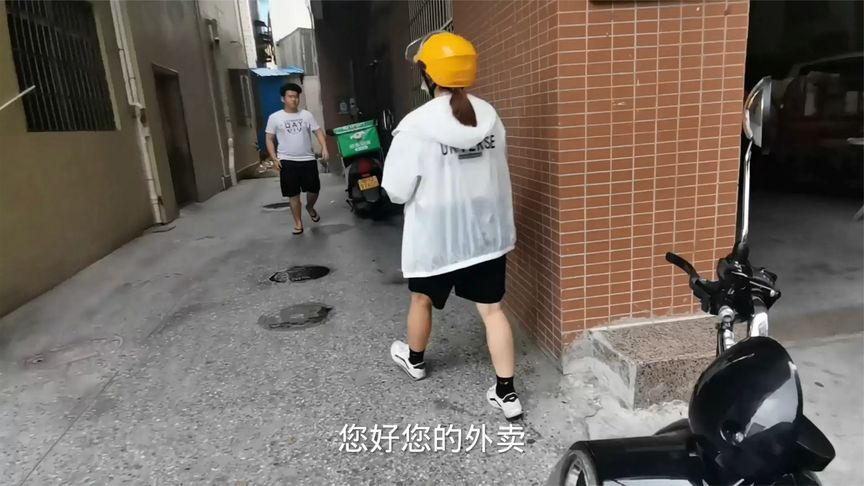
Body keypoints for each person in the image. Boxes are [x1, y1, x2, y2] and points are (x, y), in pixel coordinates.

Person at [382, 31, 521, 420]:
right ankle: (507, 393)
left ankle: (415, 360)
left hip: (437, 234)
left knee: (421, 299)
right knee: (492, 310)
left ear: (428, 75)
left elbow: (396, 190)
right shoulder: (489, 116)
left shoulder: (416, 125)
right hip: (484, 233)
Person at [265, 82, 329, 235]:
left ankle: (310, 207)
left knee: (314, 189)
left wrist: (324, 147)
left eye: (296, 97)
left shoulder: (306, 115)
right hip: (287, 160)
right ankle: (298, 223)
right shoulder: (275, 118)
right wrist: (274, 158)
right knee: (293, 194)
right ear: (283, 98)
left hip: (307, 159)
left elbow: (318, 131)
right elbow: (269, 139)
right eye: (290, 96)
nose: (294, 99)